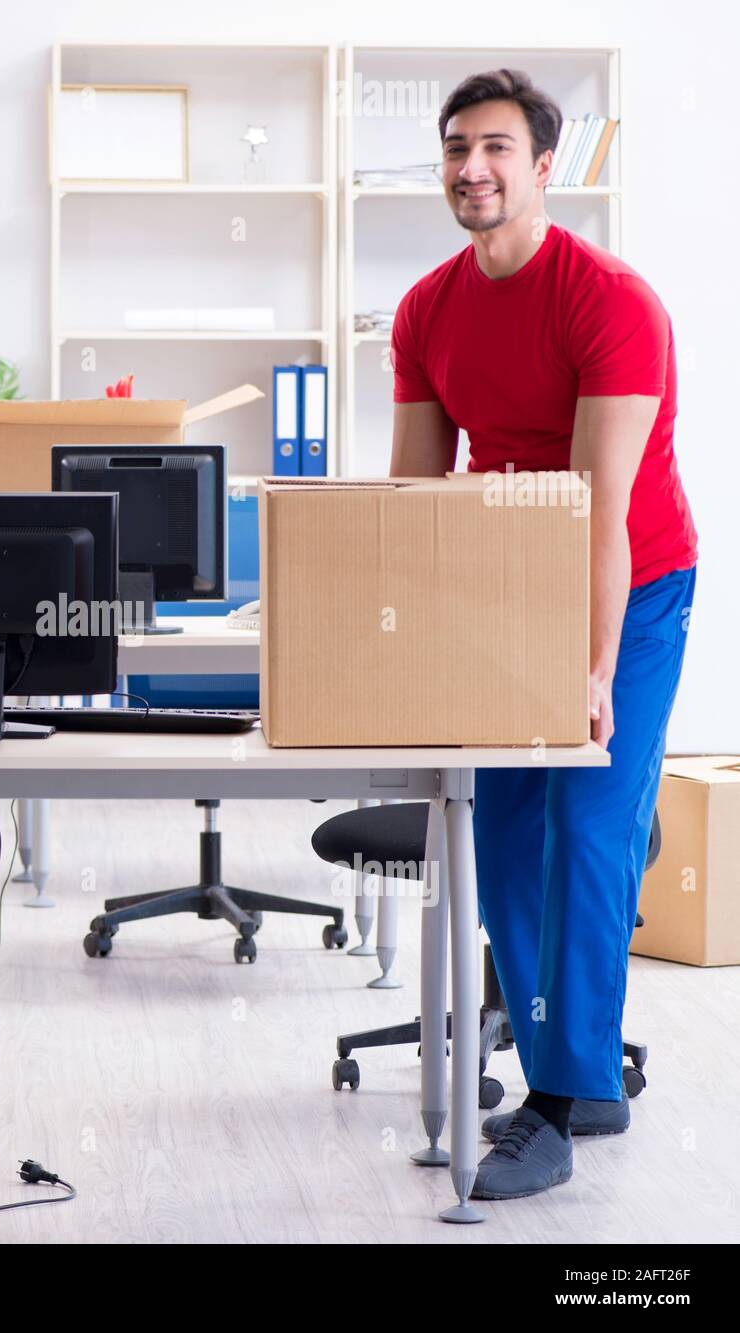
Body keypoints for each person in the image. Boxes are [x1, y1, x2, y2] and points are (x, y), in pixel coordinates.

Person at [389, 70, 697, 1200]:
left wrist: (593, 669)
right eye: (456, 147)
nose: (472, 167)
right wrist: (395, 638)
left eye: (497, 148)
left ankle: (559, 1100)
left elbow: (599, 509)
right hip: (497, 581)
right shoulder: (427, 308)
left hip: (633, 581)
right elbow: (414, 498)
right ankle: (570, 1058)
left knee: (584, 816)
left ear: (544, 167)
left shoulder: (610, 300)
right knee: (502, 826)